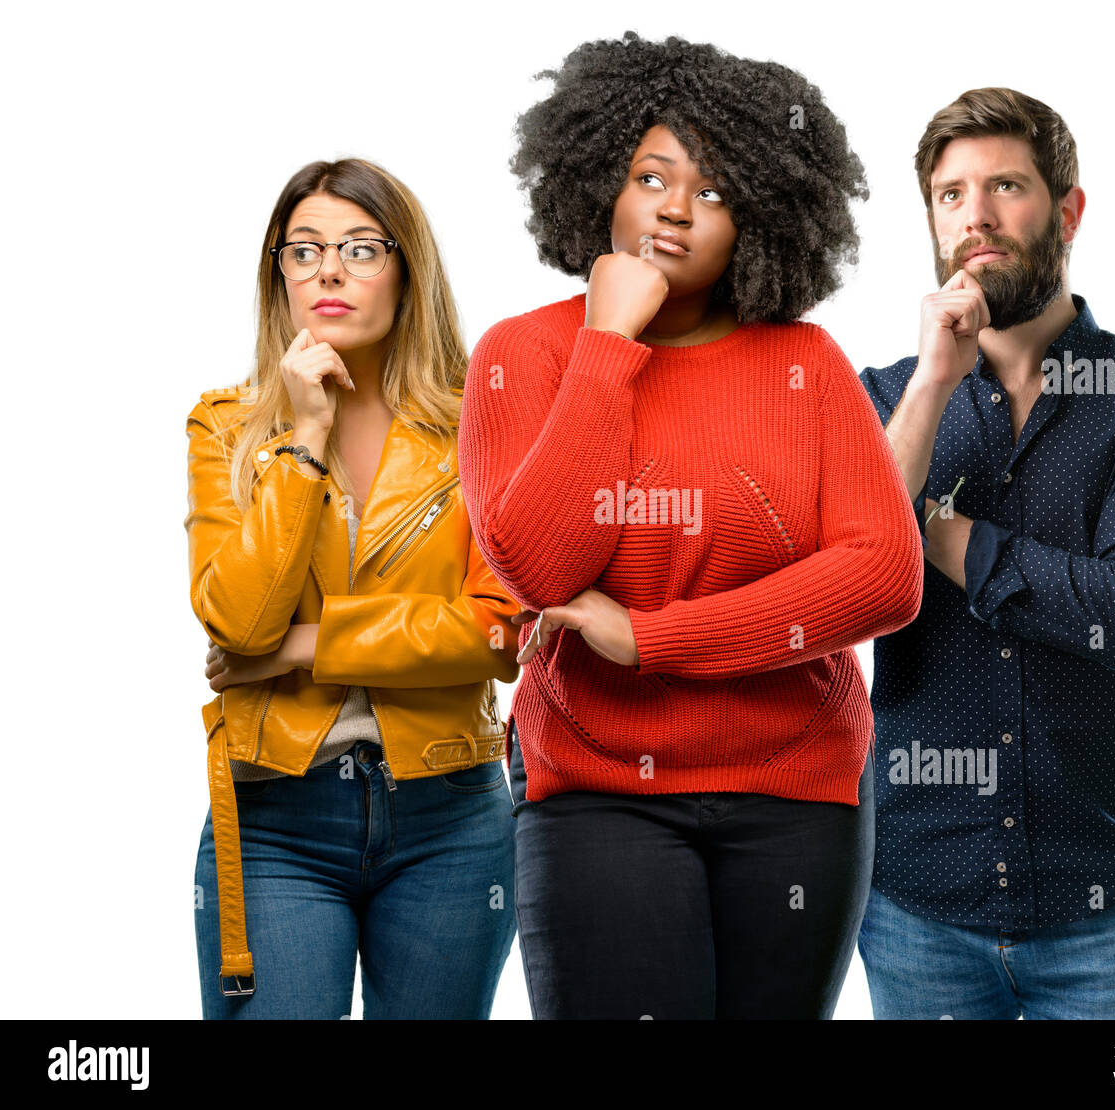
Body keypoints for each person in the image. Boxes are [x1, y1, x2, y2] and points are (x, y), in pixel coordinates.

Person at [458, 31, 923, 1019]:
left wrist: (652, 638)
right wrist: (608, 342)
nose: (674, 208)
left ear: (759, 215)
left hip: (797, 796)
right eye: (650, 177)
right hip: (596, 791)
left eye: (711, 191)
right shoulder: (525, 355)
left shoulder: (807, 362)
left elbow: (882, 574)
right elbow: (543, 560)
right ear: (597, 185)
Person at [856, 88, 1115, 1019]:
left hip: (1103, 911)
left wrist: (942, 534)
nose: (975, 215)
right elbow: (859, 583)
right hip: (915, 907)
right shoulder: (883, 398)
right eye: (949, 194)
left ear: (1068, 210)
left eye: (1006, 186)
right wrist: (935, 381)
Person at [185, 157, 522, 1019]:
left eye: (361, 248)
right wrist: (303, 434)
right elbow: (236, 618)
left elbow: (493, 638)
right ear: (280, 277)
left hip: (451, 811)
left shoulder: (480, 424)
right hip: (274, 815)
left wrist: (304, 646)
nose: (328, 270)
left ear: (408, 271)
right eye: (303, 252)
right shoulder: (225, 427)